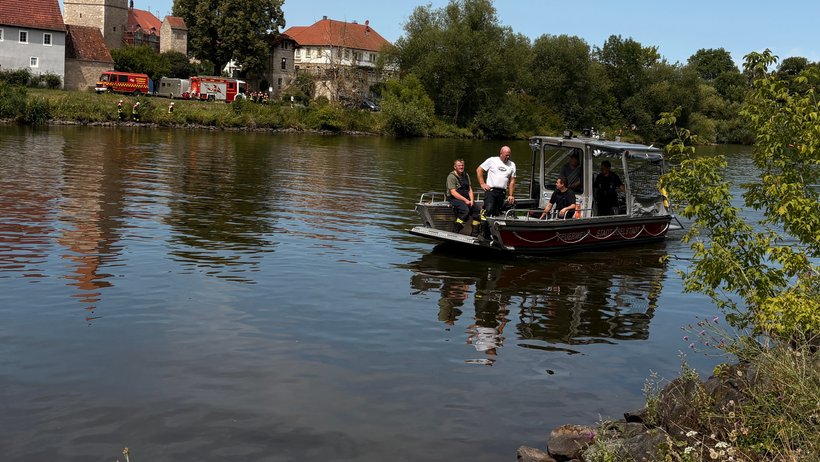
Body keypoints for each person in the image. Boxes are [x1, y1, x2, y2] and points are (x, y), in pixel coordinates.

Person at [476, 146, 516, 239]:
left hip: (502, 192)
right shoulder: (492, 160)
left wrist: (511, 195)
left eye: (509, 155)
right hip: (491, 190)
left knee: (496, 212)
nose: (508, 157)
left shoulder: (512, 165)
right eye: (506, 155)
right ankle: (482, 233)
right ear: (501, 153)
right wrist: (482, 183)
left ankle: (491, 234)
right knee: (489, 209)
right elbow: (479, 170)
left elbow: (512, 181)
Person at [446, 158, 482, 236]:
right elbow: (453, 192)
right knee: (465, 211)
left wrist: (471, 200)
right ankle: (455, 230)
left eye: (462, 165)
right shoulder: (451, 177)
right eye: (459, 165)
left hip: (466, 198)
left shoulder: (466, 175)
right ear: (455, 167)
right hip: (454, 198)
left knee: (478, 211)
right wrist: (465, 200)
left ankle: (474, 232)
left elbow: (470, 189)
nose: (461, 167)